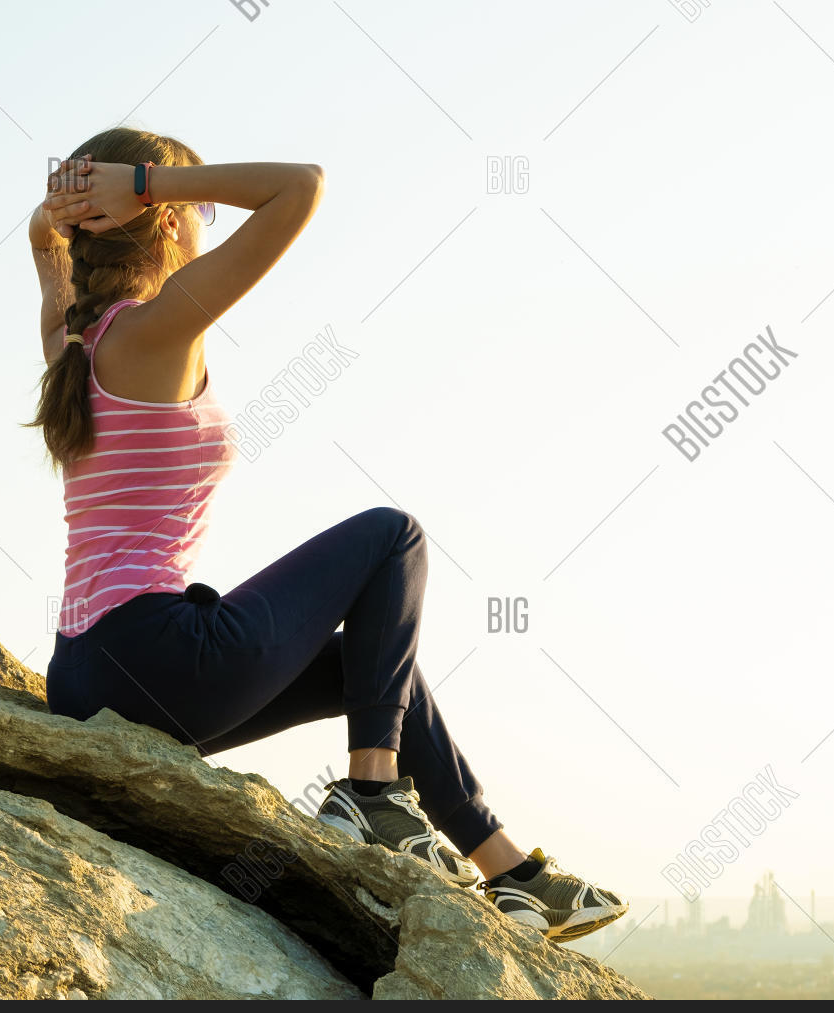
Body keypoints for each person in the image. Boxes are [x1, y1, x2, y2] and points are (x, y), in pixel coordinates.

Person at [31, 127, 626, 943]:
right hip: (157, 656)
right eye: (192, 203)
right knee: (394, 536)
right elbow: (300, 186)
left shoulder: (72, 340)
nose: (199, 216)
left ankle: (512, 874)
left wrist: (65, 215)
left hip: (85, 677)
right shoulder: (156, 329)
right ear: (163, 217)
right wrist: (144, 180)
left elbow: (44, 245)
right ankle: (372, 794)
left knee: (369, 667)